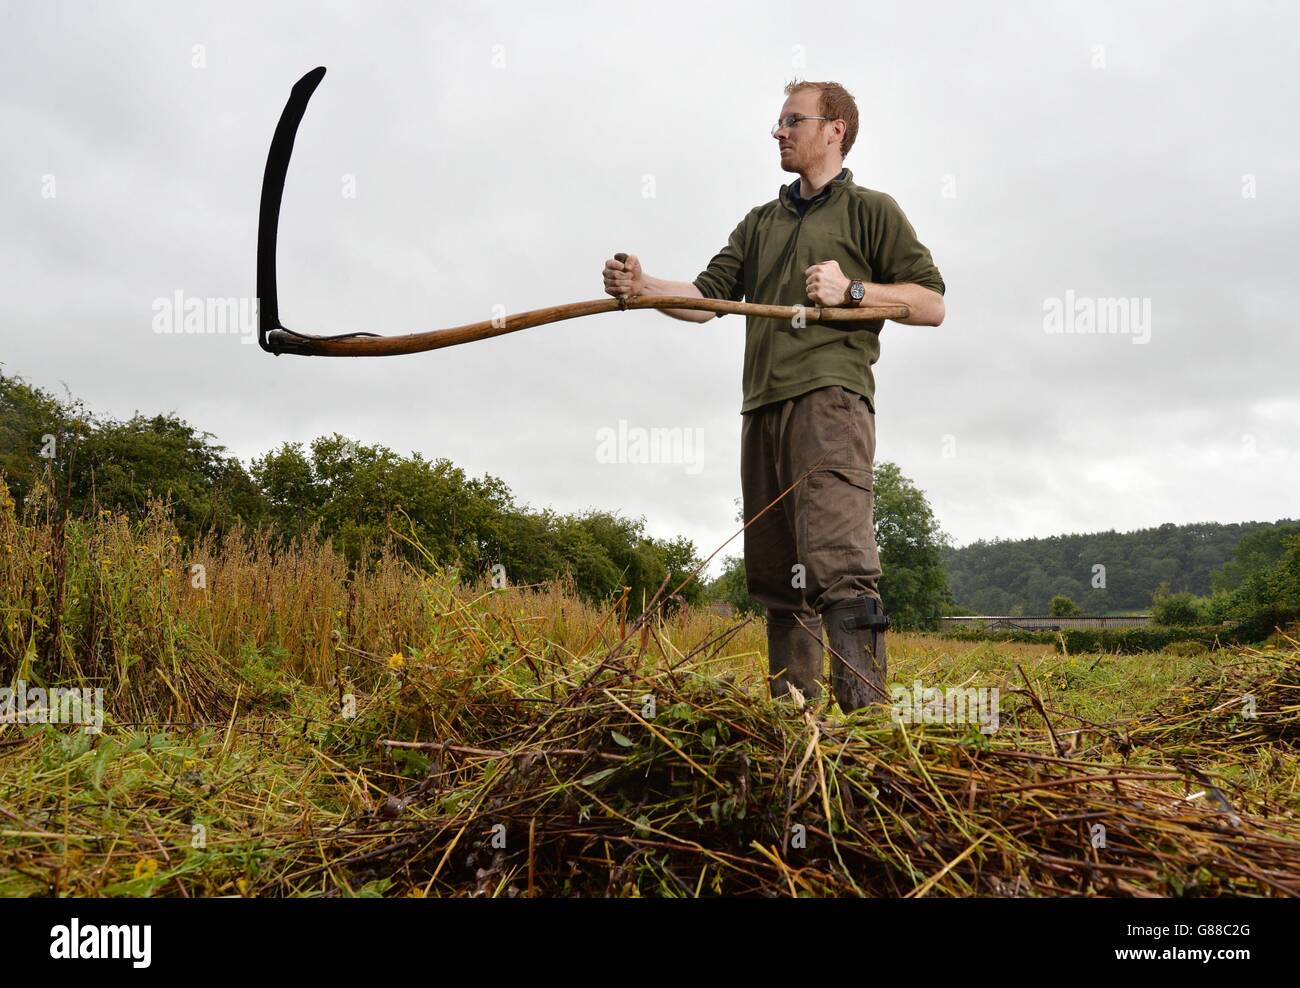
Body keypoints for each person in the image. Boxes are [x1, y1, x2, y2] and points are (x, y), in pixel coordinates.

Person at [601, 80, 945, 712]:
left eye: (793, 120)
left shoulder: (872, 209)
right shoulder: (761, 222)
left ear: (835, 128)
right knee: (777, 574)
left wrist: (855, 293)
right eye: (779, 122)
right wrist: (644, 286)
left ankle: (866, 733)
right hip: (760, 407)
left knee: (838, 564)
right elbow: (707, 301)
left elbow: (932, 304)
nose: (778, 132)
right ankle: (795, 733)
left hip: (828, 402)